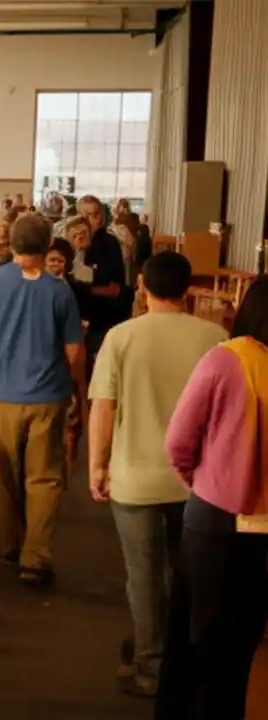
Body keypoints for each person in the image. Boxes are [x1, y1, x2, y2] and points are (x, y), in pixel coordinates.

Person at [85, 252, 226, 699]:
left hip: (135, 479)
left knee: (143, 575)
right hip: (199, 483)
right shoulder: (217, 338)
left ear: (142, 284)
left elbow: (103, 406)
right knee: (187, 575)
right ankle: (186, 662)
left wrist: (97, 464)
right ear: (188, 289)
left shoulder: (122, 337)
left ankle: (151, 666)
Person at [154, 279, 268, 719]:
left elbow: (179, 443)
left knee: (192, 635)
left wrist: (203, 482)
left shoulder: (224, 360)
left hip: (213, 517)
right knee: (239, 643)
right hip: (260, 528)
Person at [0, 213, 83, 587]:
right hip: (48, 397)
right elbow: (74, 351)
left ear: (10, 243)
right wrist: (71, 388)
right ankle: (36, 556)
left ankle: (10, 544)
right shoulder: (60, 290)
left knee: (4, 474)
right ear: (48, 247)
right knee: (43, 479)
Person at [73, 195, 128, 363]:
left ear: (102, 217)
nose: (91, 220)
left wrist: (86, 289)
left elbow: (113, 288)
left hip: (102, 320)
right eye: (86, 215)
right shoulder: (70, 241)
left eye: (95, 215)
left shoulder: (109, 244)